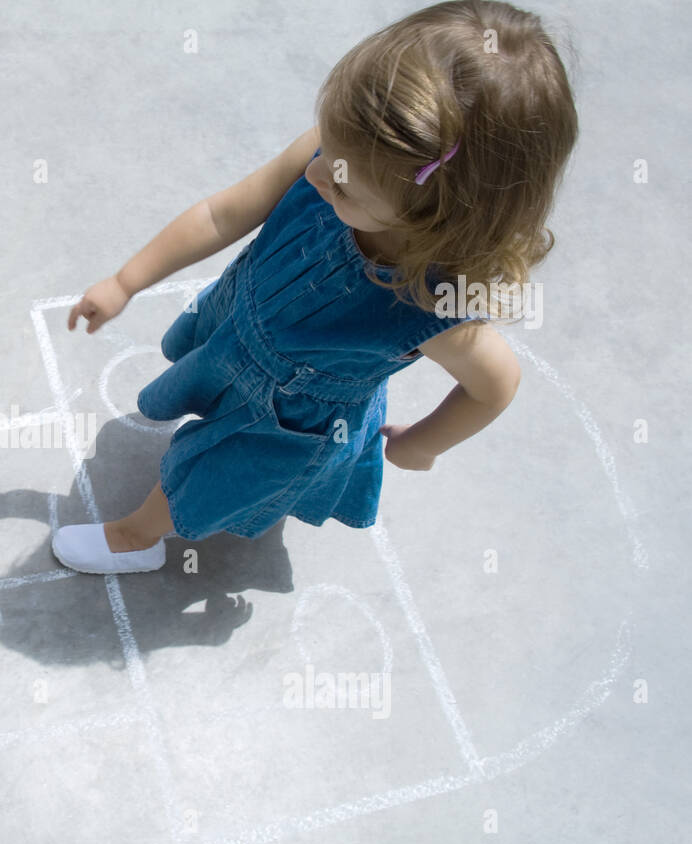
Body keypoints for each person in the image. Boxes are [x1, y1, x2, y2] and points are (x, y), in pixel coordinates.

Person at [52, 0, 578, 575]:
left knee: (205, 476)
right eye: (331, 145)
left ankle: (136, 536)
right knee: (208, 415)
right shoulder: (349, 155)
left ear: (440, 214)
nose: (317, 173)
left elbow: (495, 385)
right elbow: (222, 214)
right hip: (241, 330)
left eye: (346, 185)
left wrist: (423, 443)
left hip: (286, 416)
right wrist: (128, 280)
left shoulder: (430, 302)